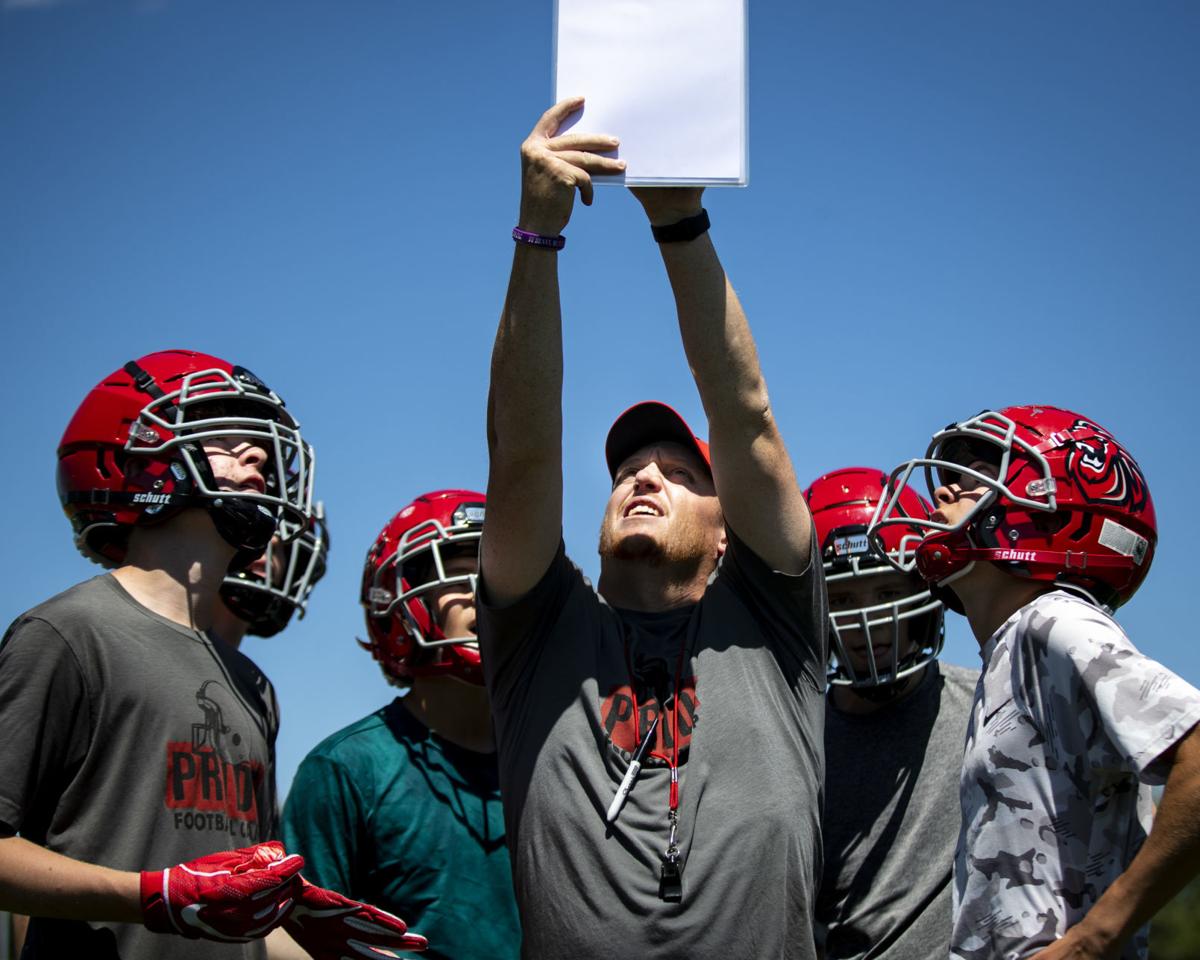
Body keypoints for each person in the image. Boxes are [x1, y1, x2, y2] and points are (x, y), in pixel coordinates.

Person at [479, 98, 826, 959]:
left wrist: (681, 224)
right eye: (632, 469)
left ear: (727, 533)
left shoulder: (775, 629)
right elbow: (522, 456)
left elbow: (745, 418)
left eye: (680, 475)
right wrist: (537, 236)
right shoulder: (538, 632)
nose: (644, 476)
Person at [0, 350, 423, 960]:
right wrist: (148, 895)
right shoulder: (68, 633)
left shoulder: (252, 683)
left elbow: (233, 915)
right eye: (227, 437)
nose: (258, 456)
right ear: (143, 452)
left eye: (260, 445)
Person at [868, 405, 1200, 960]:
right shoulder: (1009, 649)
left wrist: (1094, 940)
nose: (943, 492)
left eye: (972, 474)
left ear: (1055, 510)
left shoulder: (1055, 623)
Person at [282, 490, 520, 960]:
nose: (482, 589)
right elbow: (295, 941)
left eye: (497, 570)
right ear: (401, 600)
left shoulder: (557, 759)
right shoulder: (347, 769)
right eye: (456, 570)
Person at [805, 467, 975, 959]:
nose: (867, 621)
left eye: (886, 592)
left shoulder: (988, 712)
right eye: (840, 599)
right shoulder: (796, 740)